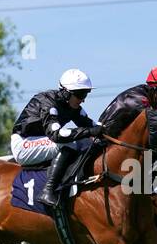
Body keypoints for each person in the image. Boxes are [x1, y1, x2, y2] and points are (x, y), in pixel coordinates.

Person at [10, 69, 100, 211]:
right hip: (23, 144)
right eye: (80, 94)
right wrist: (88, 132)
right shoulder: (48, 103)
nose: (84, 99)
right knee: (70, 143)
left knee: (88, 143)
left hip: (40, 140)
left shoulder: (72, 106)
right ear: (66, 92)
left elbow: (93, 126)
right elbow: (57, 135)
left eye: (86, 93)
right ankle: (48, 191)